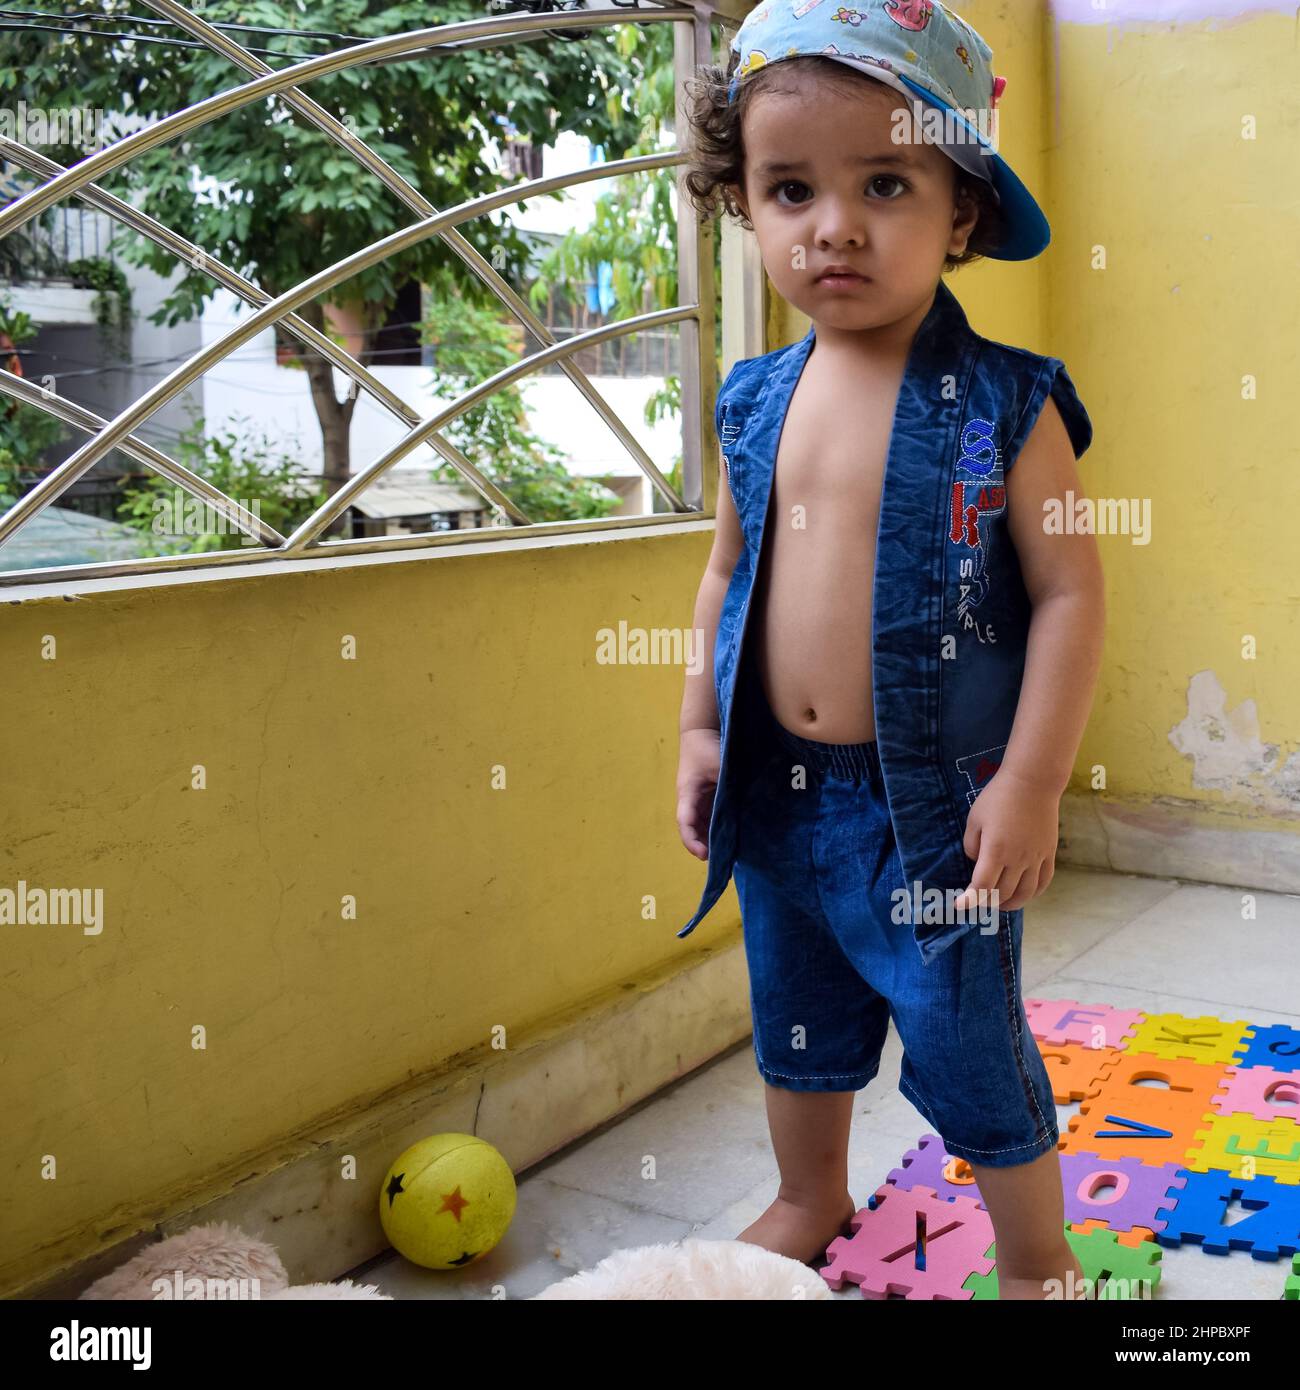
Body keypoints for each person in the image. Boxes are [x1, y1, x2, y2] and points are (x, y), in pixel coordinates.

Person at [675, 1, 1105, 1300]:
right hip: (780, 800)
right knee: (797, 1024)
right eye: (791, 188)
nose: (834, 226)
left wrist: (1029, 783)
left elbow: (1074, 593)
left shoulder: (1007, 402)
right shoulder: (753, 397)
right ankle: (813, 1193)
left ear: (961, 211)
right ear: (745, 202)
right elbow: (724, 572)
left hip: (933, 814)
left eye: (885, 184)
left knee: (968, 1039)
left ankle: (1037, 1260)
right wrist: (699, 726)